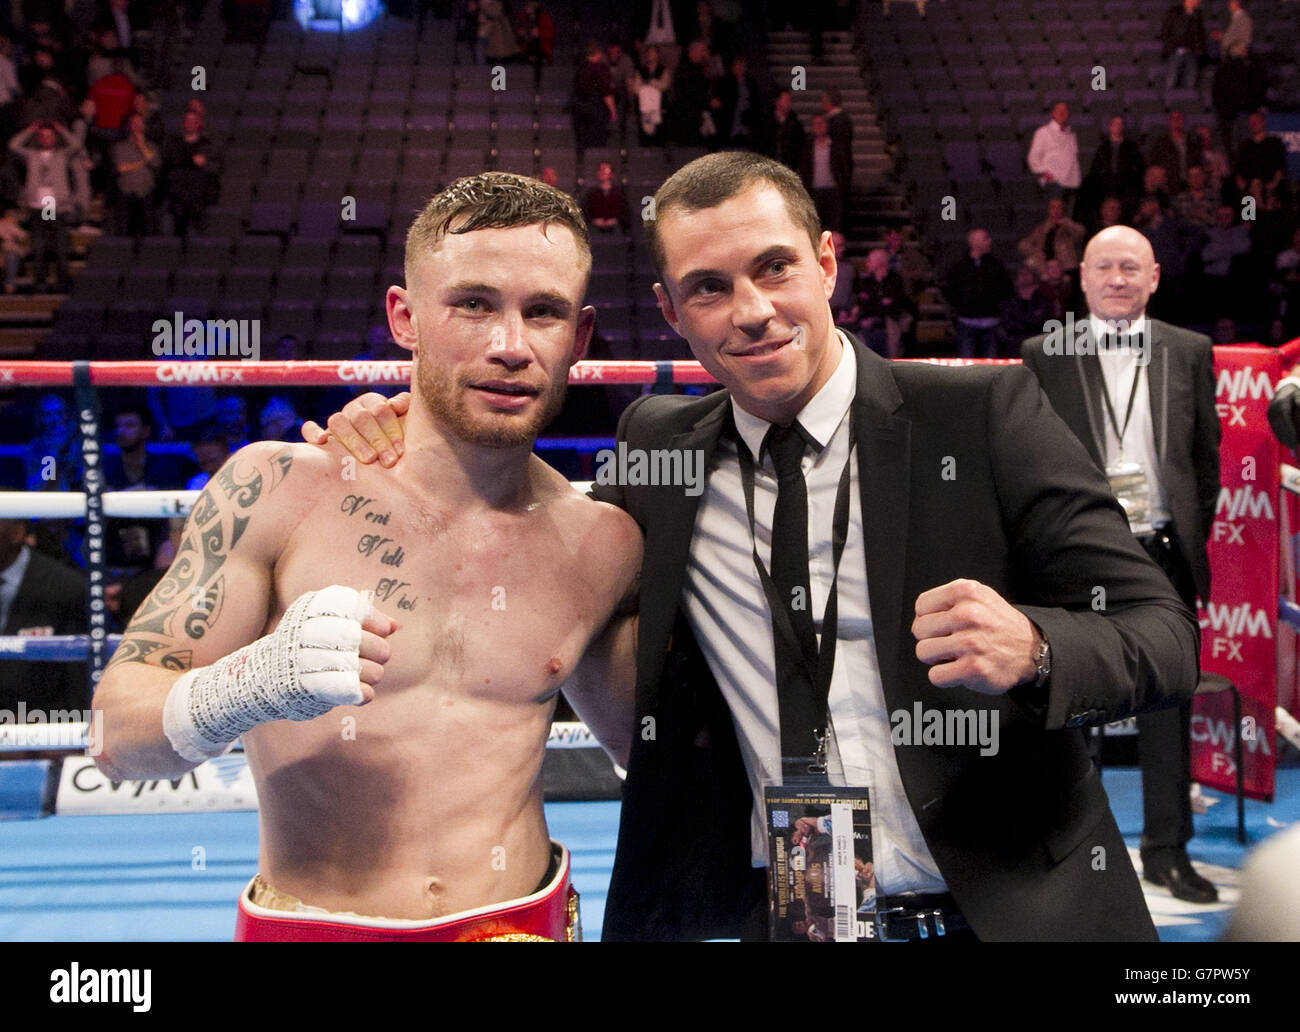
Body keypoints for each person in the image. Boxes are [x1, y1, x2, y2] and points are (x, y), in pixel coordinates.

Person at [326, 152, 1200, 941]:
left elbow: (1163, 634)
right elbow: (524, 509)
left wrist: (1038, 648)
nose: (752, 313)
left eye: (774, 267)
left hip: (1013, 915)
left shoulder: (979, 418)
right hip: (803, 917)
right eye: (709, 288)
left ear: (826, 263)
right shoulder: (658, 449)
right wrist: (404, 424)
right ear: (671, 311)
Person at [93, 172, 643, 941]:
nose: (510, 346)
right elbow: (114, 738)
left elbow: (653, 753)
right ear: (404, 317)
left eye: (542, 312)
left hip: (520, 928)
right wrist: (245, 687)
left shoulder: (602, 544)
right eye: (473, 304)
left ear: (578, 340)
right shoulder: (279, 490)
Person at [1021, 226, 1220, 905]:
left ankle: (1168, 851)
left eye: (1130, 267)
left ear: (1154, 277)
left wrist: (1184, 538)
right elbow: (1031, 461)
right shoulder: (1044, 353)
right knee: (1069, 701)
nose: (1116, 278)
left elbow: (1205, 462)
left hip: (1162, 551)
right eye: (1103, 267)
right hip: (1079, 551)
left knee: (1169, 704)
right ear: (1082, 277)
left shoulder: (1188, 351)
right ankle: (1072, 856)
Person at [0, 518, 88, 715]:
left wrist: (78, 729)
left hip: (41, 719)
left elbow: (78, 679)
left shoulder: (67, 588)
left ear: (17, 532)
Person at [945, 227, 1013, 359]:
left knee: (990, 364)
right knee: (966, 364)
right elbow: (951, 290)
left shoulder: (996, 265)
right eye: (985, 238)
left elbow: (1006, 289)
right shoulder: (960, 266)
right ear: (975, 242)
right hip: (966, 322)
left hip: (991, 323)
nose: (989, 241)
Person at [1018, 197, 1087, 276]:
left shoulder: (1068, 225)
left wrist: (1064, 223)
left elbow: (1081, 232)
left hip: (1065, 264)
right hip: (1046, 264)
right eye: (1053, 207)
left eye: (1059, 207)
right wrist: (1037, 252)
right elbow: (1023, 244)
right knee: (1030, 263)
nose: (1056, 210)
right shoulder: (1043, 228)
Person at [1027, 102, 1081, 202]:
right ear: (1053, 113)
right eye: (1058, 110)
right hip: (1054, 183)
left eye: (1065, 111)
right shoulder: (1043, 132)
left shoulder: (1071, 134)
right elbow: (1033, 157)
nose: (1062, 113)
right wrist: (1045, 173)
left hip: (1071, 184)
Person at [1160, 0, 1206, 94]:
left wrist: (1200, 51)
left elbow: (1200, 34)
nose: (1197, 2)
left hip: (1192, 52)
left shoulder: (1197, 14)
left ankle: (1188, 102)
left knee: (1191, 82)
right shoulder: (1175, 12)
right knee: (1171, 81)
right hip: (1176, 50)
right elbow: (1167, 30)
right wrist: (1170, 46)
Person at [581, 160, 628, 233]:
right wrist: (595, 221)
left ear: (612, 174)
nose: (602, 173)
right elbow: (585, 212)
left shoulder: (619, 193)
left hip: (615, 227)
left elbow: (625, 213)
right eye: (600, 170)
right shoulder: (591, 193)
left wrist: (614, 220)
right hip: (594, 227)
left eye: (605, 170)